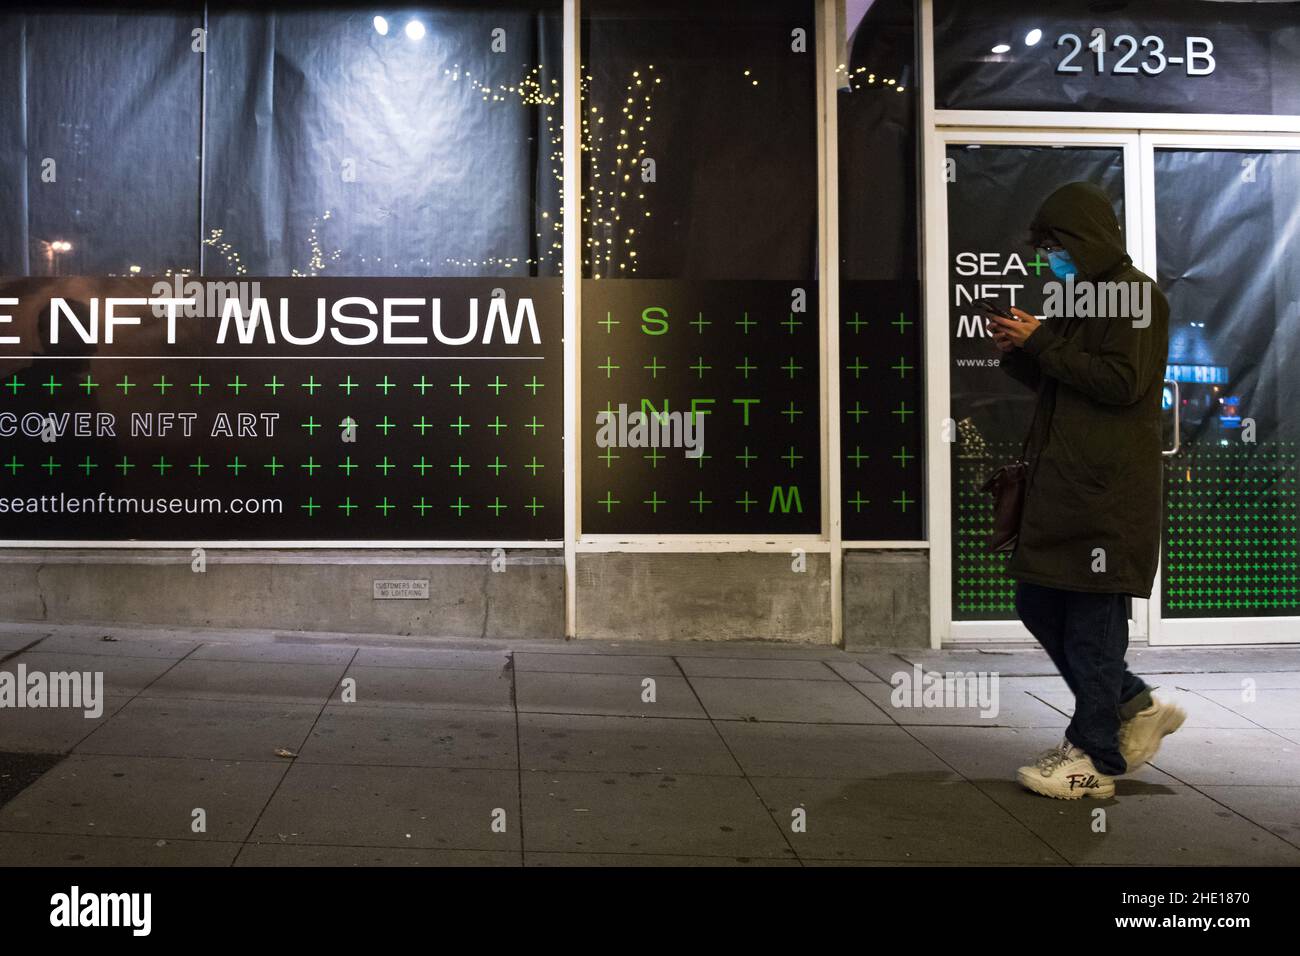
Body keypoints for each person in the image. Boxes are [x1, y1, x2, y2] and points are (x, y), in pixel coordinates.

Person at [988, 181, 1186, 800]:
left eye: (1058, 246)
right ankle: (1132, 703)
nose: (1053, 259)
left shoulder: (1135, 298)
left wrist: (1042, 342)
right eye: (1047, 249)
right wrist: (1023, 351)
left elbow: (1123, 383)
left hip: (1106, 496)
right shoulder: (1086, 298)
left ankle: (1094, 760)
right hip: (1070, 488)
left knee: (1092, 624)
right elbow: (1070, 383)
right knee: (1039, 603)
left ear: (1086, 241)